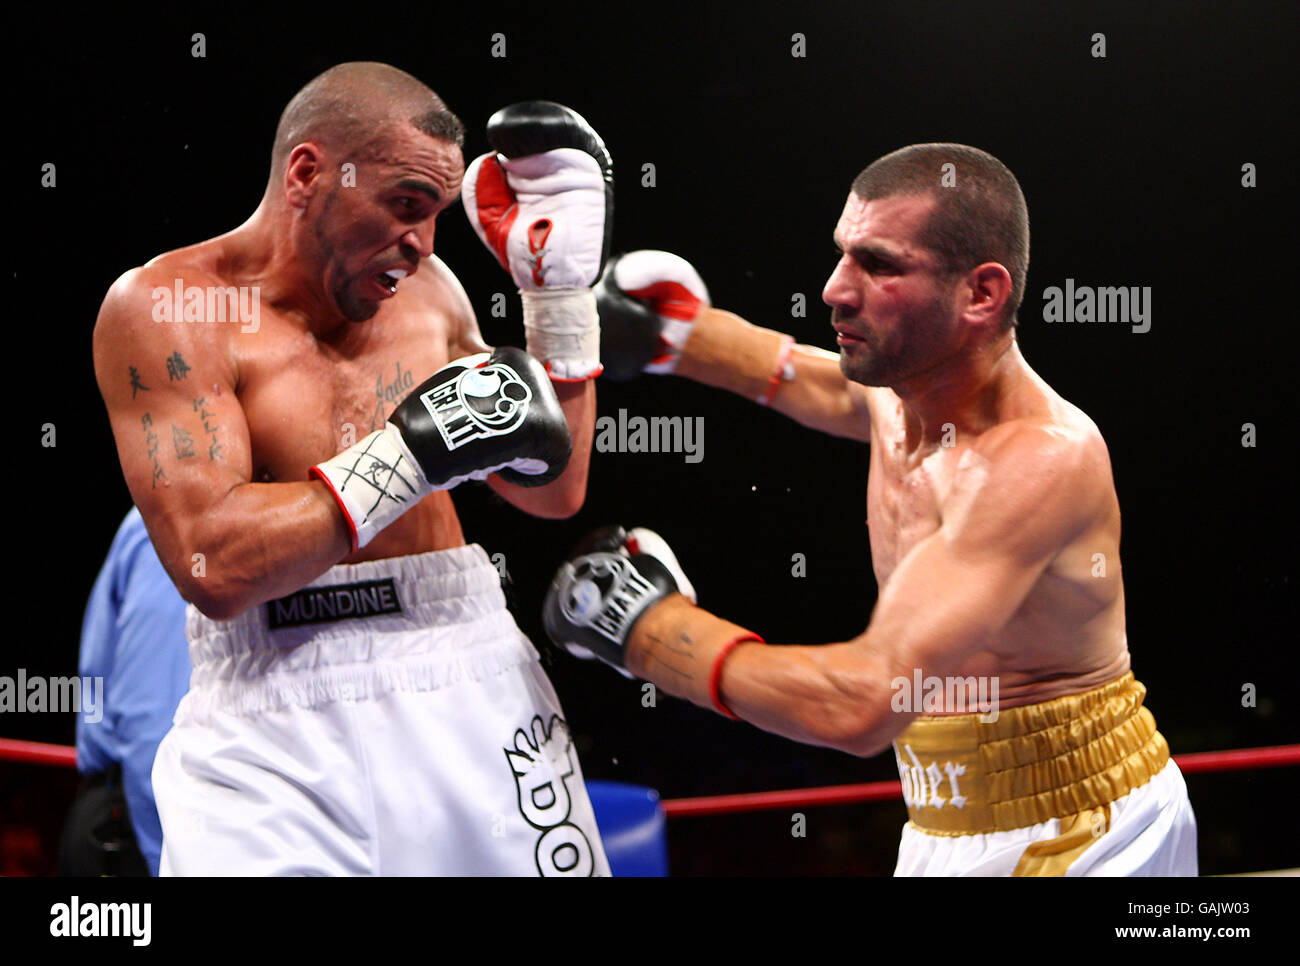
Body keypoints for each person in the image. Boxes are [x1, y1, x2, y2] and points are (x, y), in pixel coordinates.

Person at [546, 143, 1198, 876]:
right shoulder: (901, 391)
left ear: (981, 294)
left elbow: (861, 705)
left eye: (879, 265)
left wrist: (649, 632)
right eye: (842, 254)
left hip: (1082, 829)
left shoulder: (1037, 460)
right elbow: (821, 385)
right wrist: (684, 337)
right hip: (941, 820)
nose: (834, 289)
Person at [92, 62, 612, 875]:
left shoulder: (429, 292)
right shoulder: (171, 308)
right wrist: (408, 455)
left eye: (436, 215)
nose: (423, 243)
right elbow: (213, 564)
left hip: (462, 665)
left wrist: (560, 301)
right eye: (405, 204)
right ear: (308, 173)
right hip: (269, 714)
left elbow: (554, 487)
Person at [62, 507, 190, 876]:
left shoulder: (155, 520)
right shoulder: (181, 524)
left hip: (132, 816)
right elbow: (148, 715)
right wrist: (165, 858)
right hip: (134, 829)